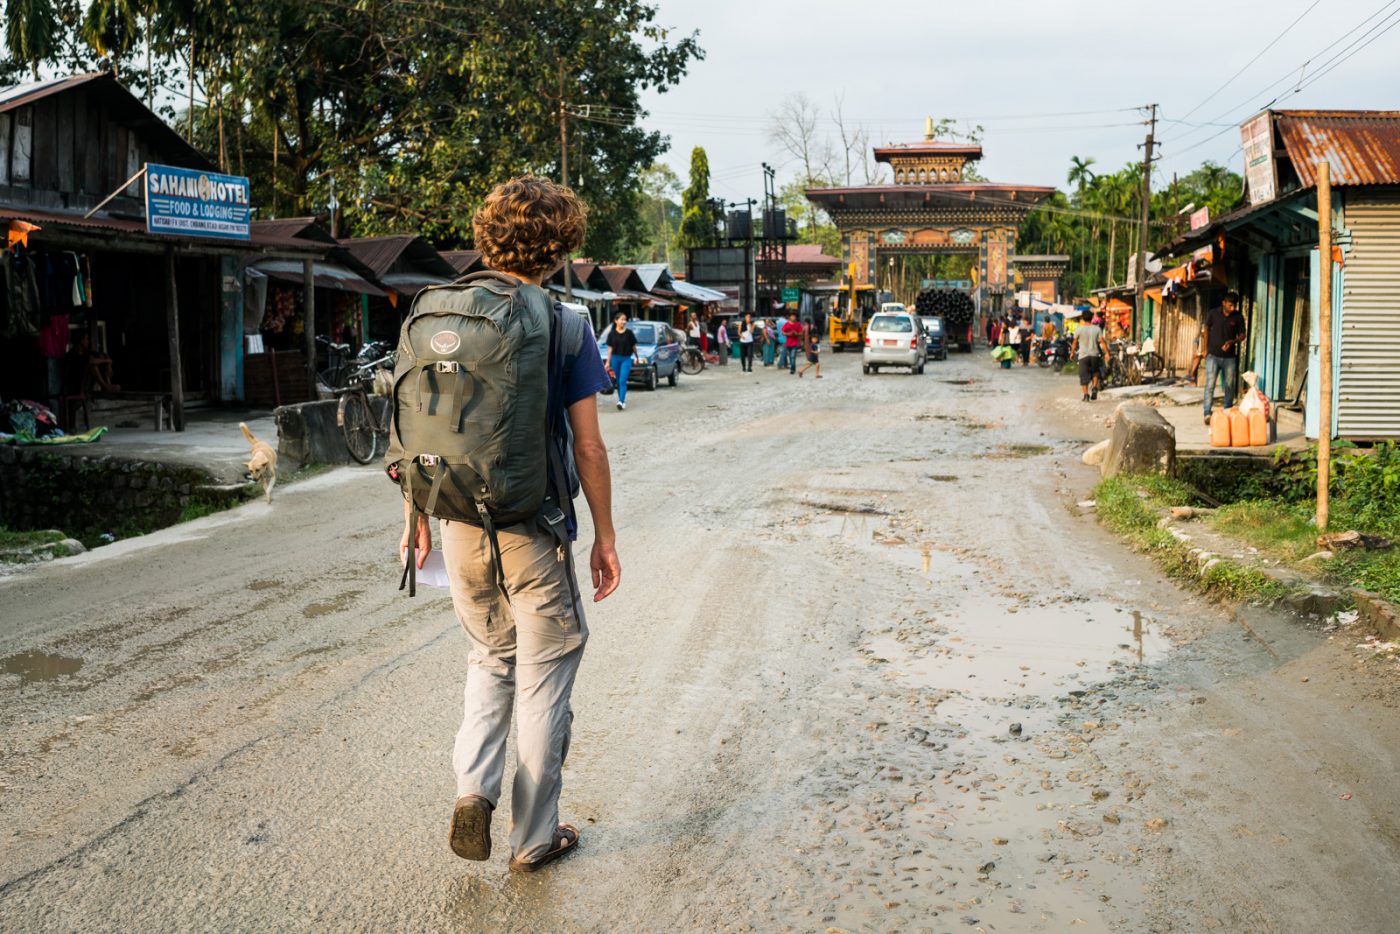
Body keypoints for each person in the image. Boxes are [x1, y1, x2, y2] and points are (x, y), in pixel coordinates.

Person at [401, 176, 620, 874]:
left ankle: (473, 789)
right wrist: (606, 537)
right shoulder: (565, 323)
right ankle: (534, 835)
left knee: (490, 659)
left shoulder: (438, 308)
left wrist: (417, 517)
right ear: (559, 248)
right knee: (546, 670)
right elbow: (587, 446)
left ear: (486, 236)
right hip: (533, 526)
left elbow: (423, 421)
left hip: (458, 519)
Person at [1200, 289, 1247, 426]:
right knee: (1209, 385)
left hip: (1230, 358)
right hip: (1213, 356)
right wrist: (1205, 348)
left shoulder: (1238, 317)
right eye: (1230, 305)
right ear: (1224, 303)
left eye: (1234, 306)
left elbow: (1243, 335)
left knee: (1229, 386)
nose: (1232, 308)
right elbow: (1206, 328)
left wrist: (1233, 342)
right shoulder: (1213, 314)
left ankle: (1227, 412)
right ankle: (1207, 413)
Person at [603, 310, 638, 411]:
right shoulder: (612, 334)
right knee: (618, 381)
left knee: (623, 380)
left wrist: (637, 357)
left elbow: (634, 346)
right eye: (622, 319)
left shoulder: (629, 333)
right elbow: (610, 349)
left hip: (626, 359)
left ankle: (621, 401)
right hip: (615, 359)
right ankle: (621, 400)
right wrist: (608, 362)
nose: (624, 321)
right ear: (616, 321)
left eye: (625, 320)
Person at [1072, 309, 1108, 401]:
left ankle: (1086, 395)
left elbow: (1074, 342)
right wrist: (1107, 353)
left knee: (1083, 375)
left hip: (1083, 355)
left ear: (1083, 318)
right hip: (1095, 354)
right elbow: (1102, 342)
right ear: (1092, 318)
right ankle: (1095, 387)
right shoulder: (1097, 329)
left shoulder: (1079, 329)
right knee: (1095, 372)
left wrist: (1072, 352)